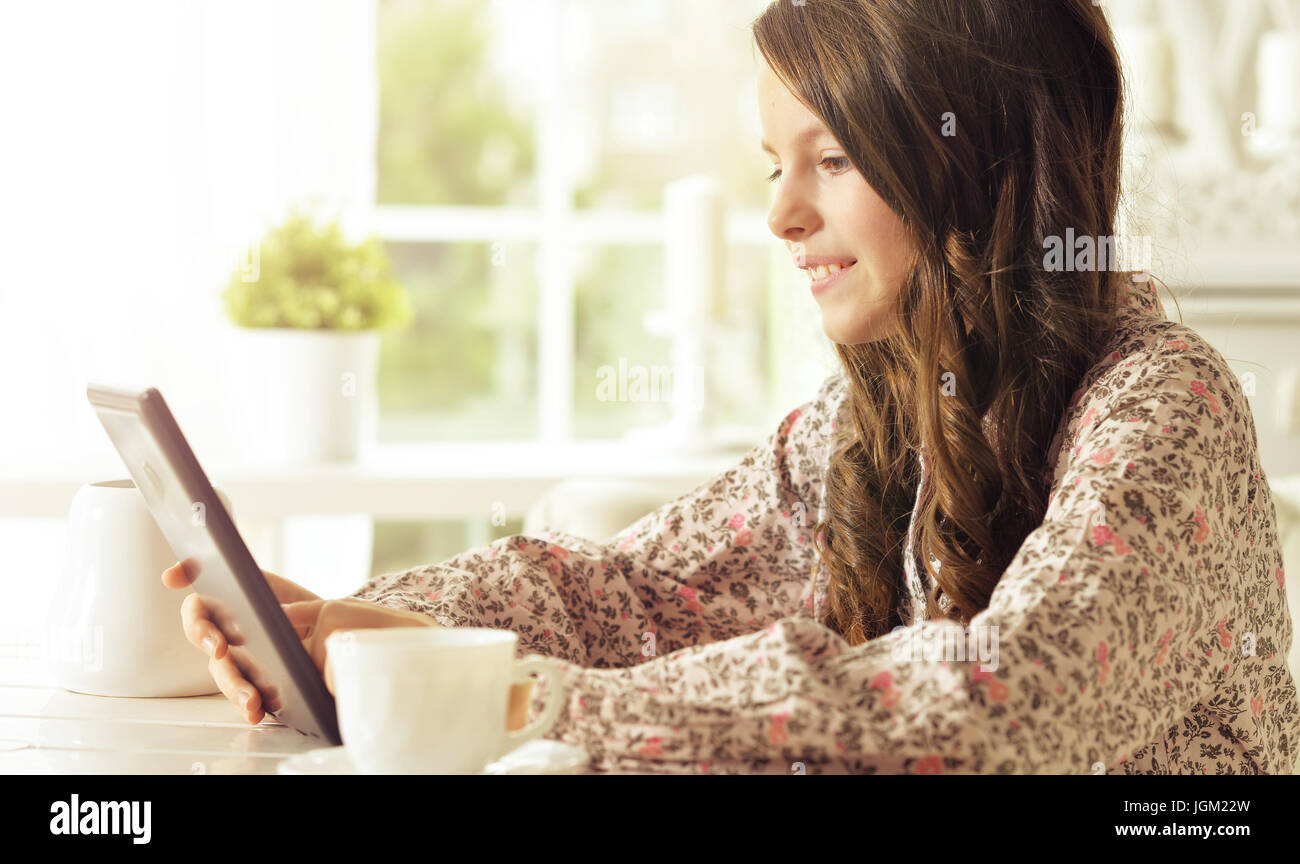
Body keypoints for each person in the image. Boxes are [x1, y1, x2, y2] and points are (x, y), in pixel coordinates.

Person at [166, 0, 1300, 773]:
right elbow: (638, 591)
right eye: (773, 165)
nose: (779, 214)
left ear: (975, 161)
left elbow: (1005, 702)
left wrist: (512, 701)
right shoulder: (877, 419)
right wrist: (373, 626)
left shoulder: (1165, 411)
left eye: (834, 160)